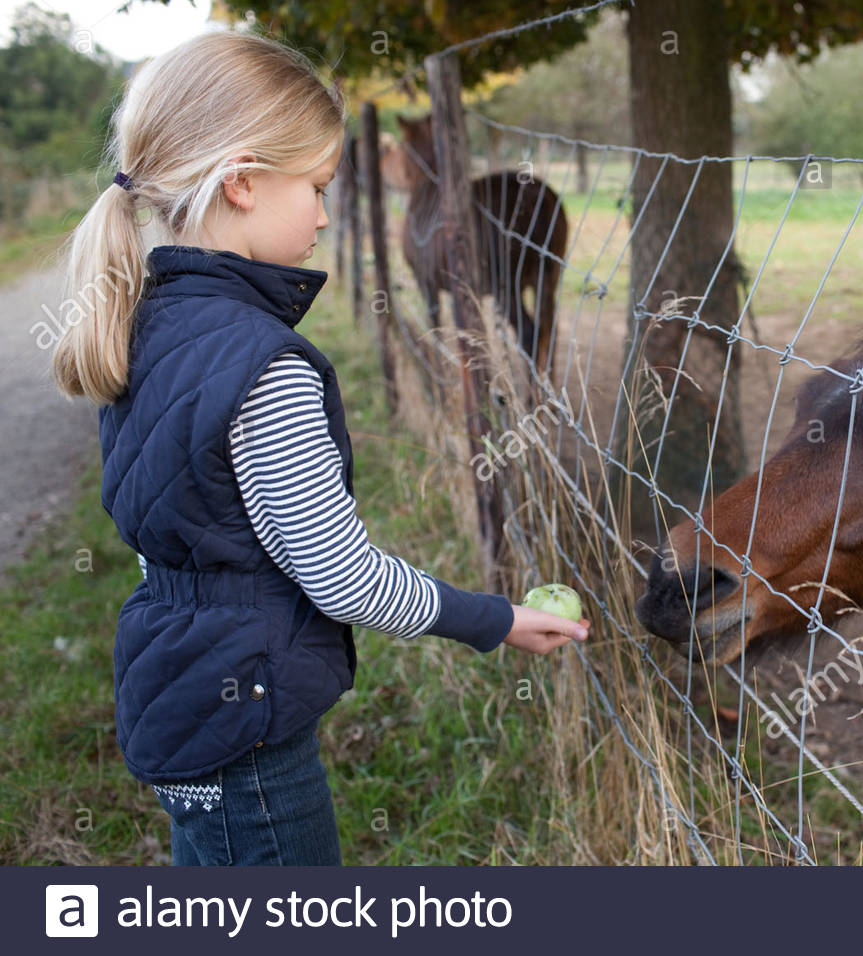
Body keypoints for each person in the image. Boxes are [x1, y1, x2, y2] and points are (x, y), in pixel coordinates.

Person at [51, 29, 588, 866]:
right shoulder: (264, 367)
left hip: (178, 690)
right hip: (250, 736)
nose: (327, 214)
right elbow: (340, 573)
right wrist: (495, 619)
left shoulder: (143, 322)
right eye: (318, 186)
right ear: (242, 182)